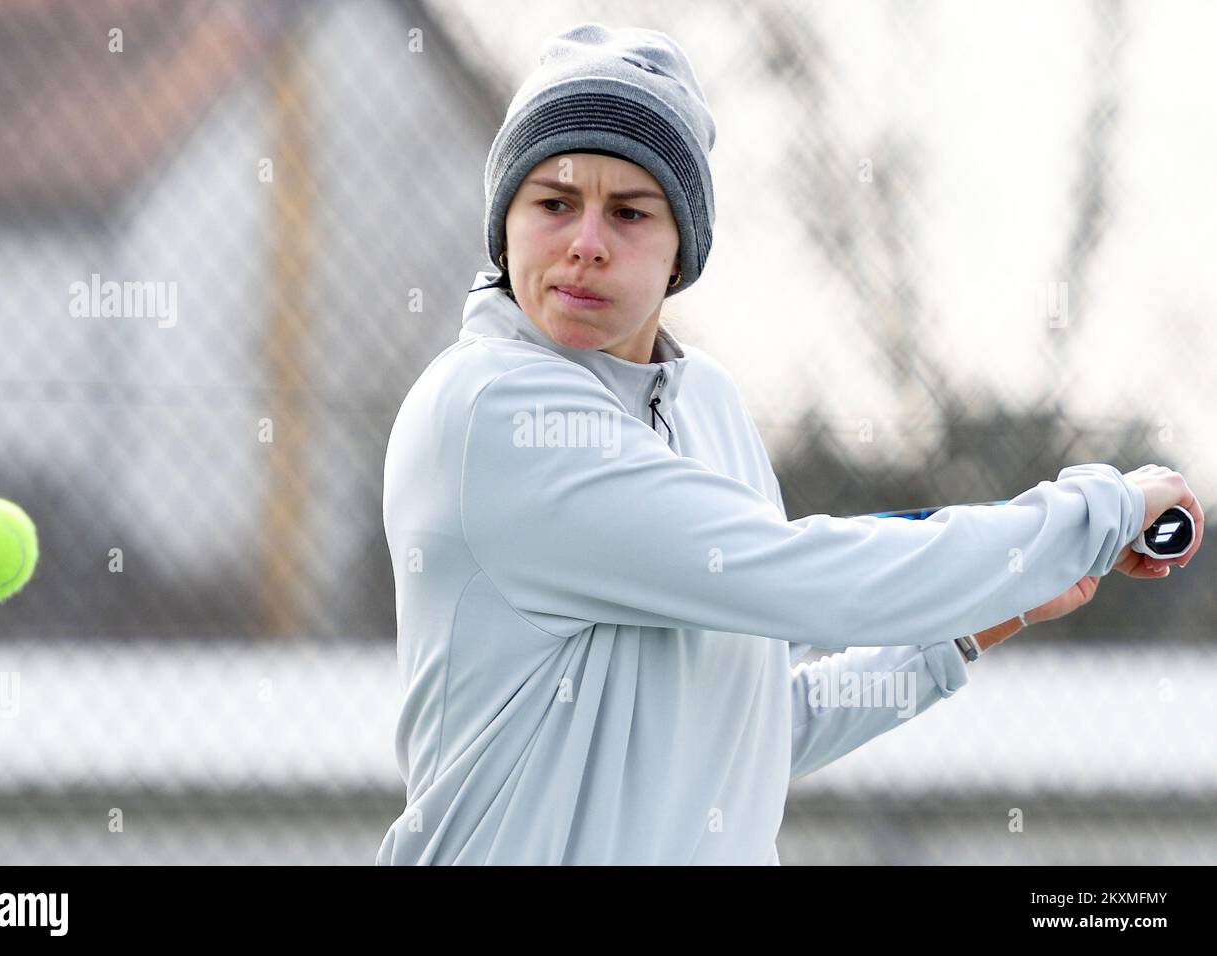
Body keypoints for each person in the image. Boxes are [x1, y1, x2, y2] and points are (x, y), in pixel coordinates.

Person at [376, 22, 1203, 865]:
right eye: (554, 203)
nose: (586, 241)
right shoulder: (490, 410)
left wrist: (968, 624)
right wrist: (1093, 515)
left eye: (629, 211)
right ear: (505, 225)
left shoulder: (710, 404)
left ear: (679, 254)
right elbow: (809, 579)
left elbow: (753, 736)